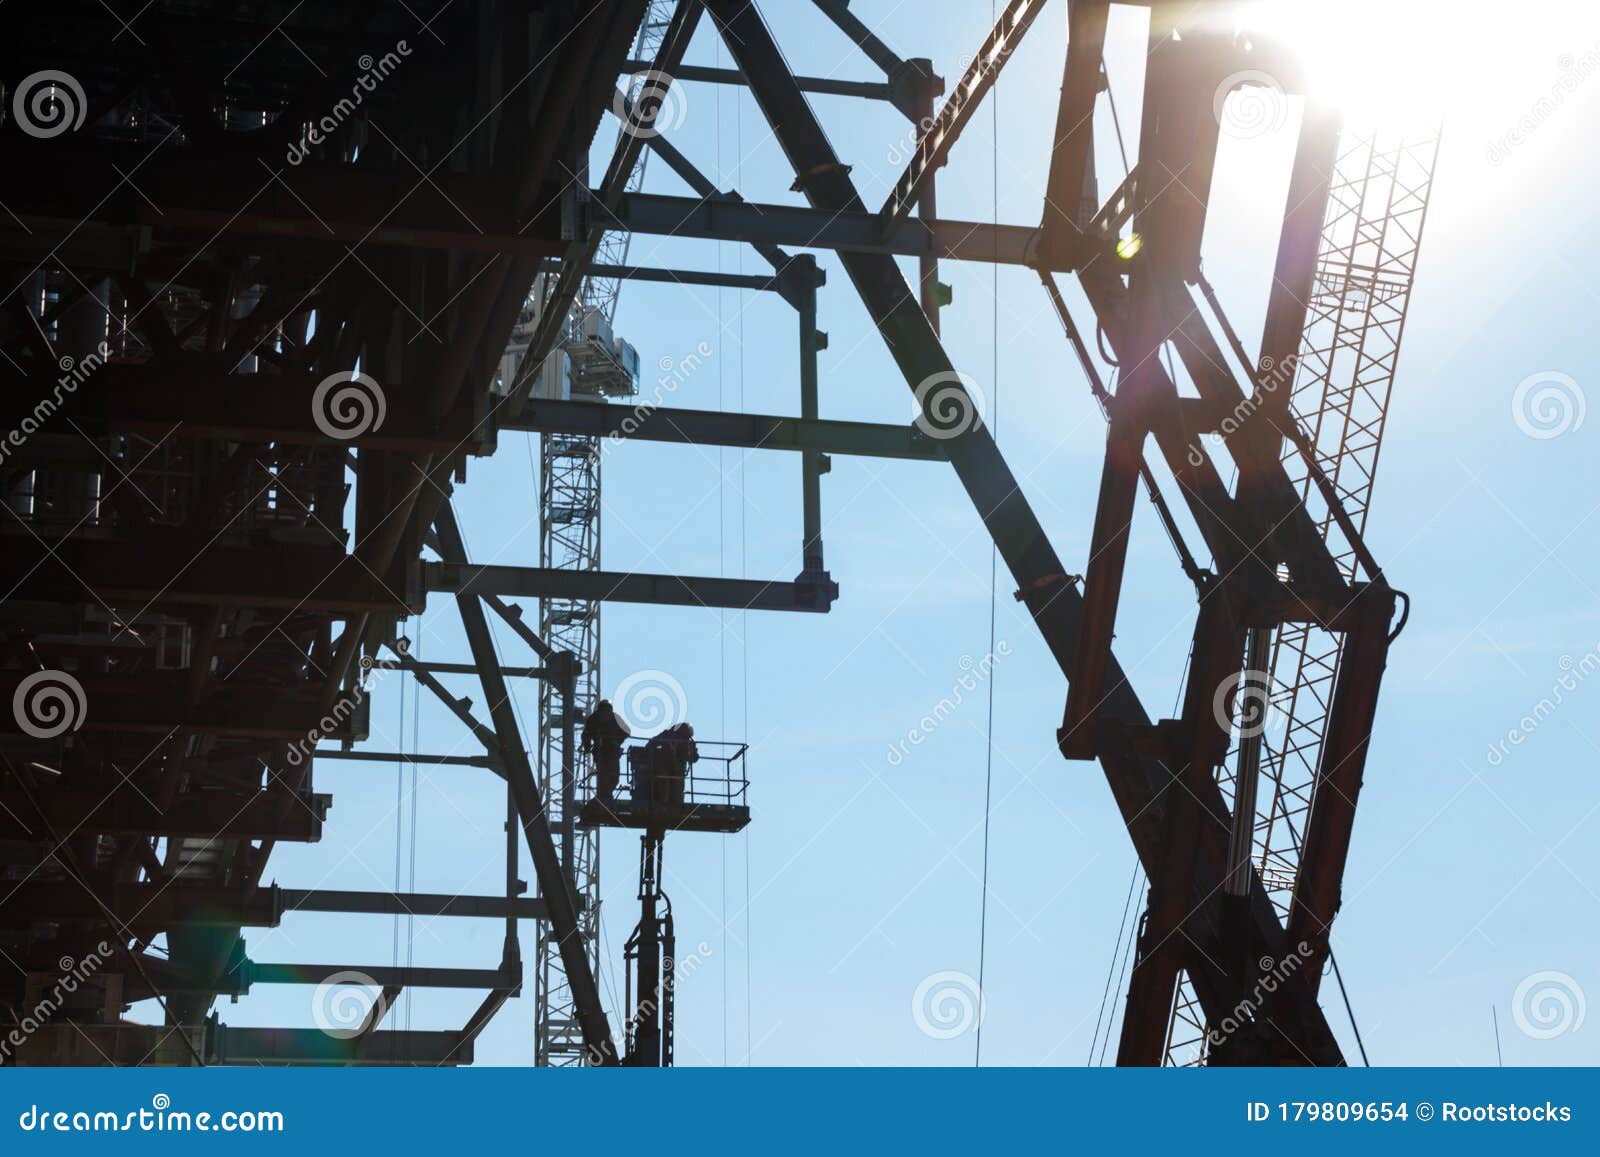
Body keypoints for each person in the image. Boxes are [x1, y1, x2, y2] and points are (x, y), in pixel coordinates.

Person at [581, 700, 630, 802]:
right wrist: (618, 740)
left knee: (604, 776)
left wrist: (587, 747)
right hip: (612, 750)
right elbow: (627, 731)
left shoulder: (594, 717)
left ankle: (604, 796)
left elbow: (585, 735)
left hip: (602, 750)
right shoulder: (615, 717)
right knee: (613, 777)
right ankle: (606, 796)